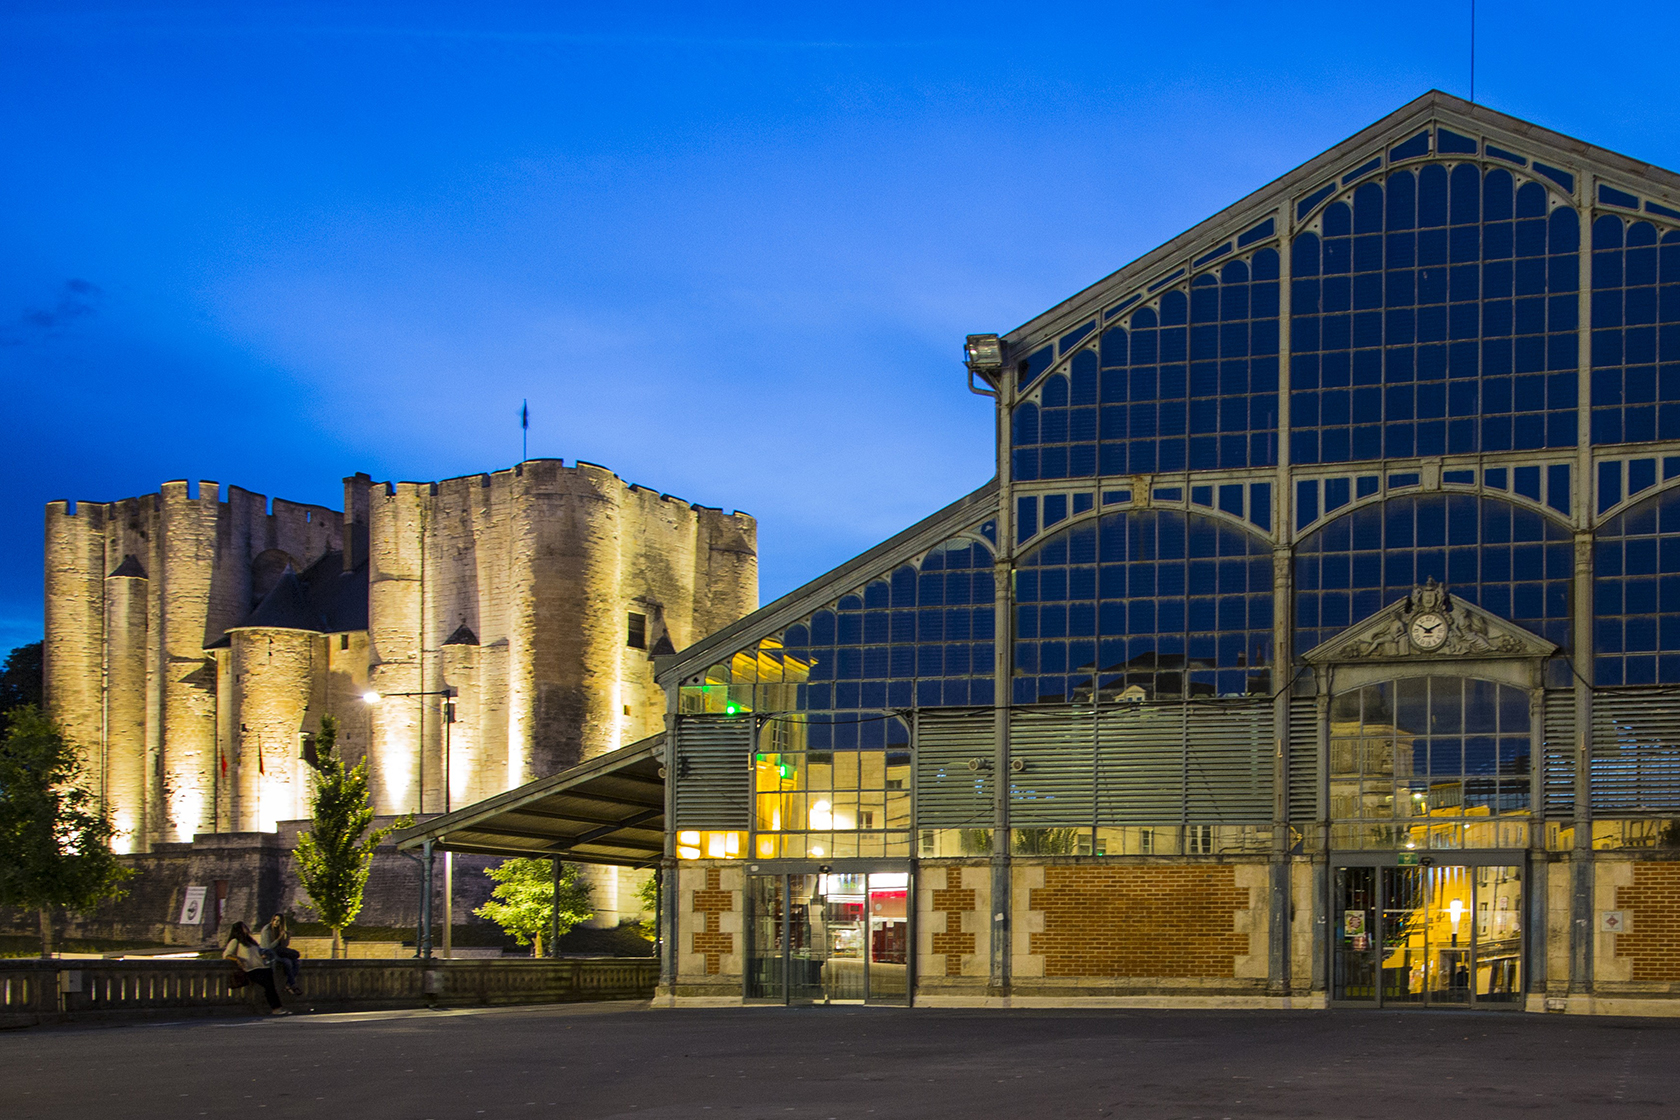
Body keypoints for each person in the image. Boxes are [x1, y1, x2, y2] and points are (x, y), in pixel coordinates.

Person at [224, 921, 289, 1016]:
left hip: (262, 966)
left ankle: (276, 1007)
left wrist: (262, 955)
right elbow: (227, 954)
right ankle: (276, 1008)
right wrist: (237, 959)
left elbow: (256, 952)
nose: (246, 928)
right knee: (268, 987)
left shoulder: (250, 941)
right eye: (244, 927)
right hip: (251, 969)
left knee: (270, 987)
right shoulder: (235, 941)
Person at [260, 914, 302, 995]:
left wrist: (288, 937)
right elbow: (268, 947)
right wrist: (279, 938)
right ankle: (292, 984)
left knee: (296, 962)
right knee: (287, 962)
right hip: (270, 953)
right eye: (275, 920)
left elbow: (284, 946)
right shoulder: (267, 929)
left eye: (278, 921)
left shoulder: (280, 929)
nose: (276, 922)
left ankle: (289, 984)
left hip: (279, 952)